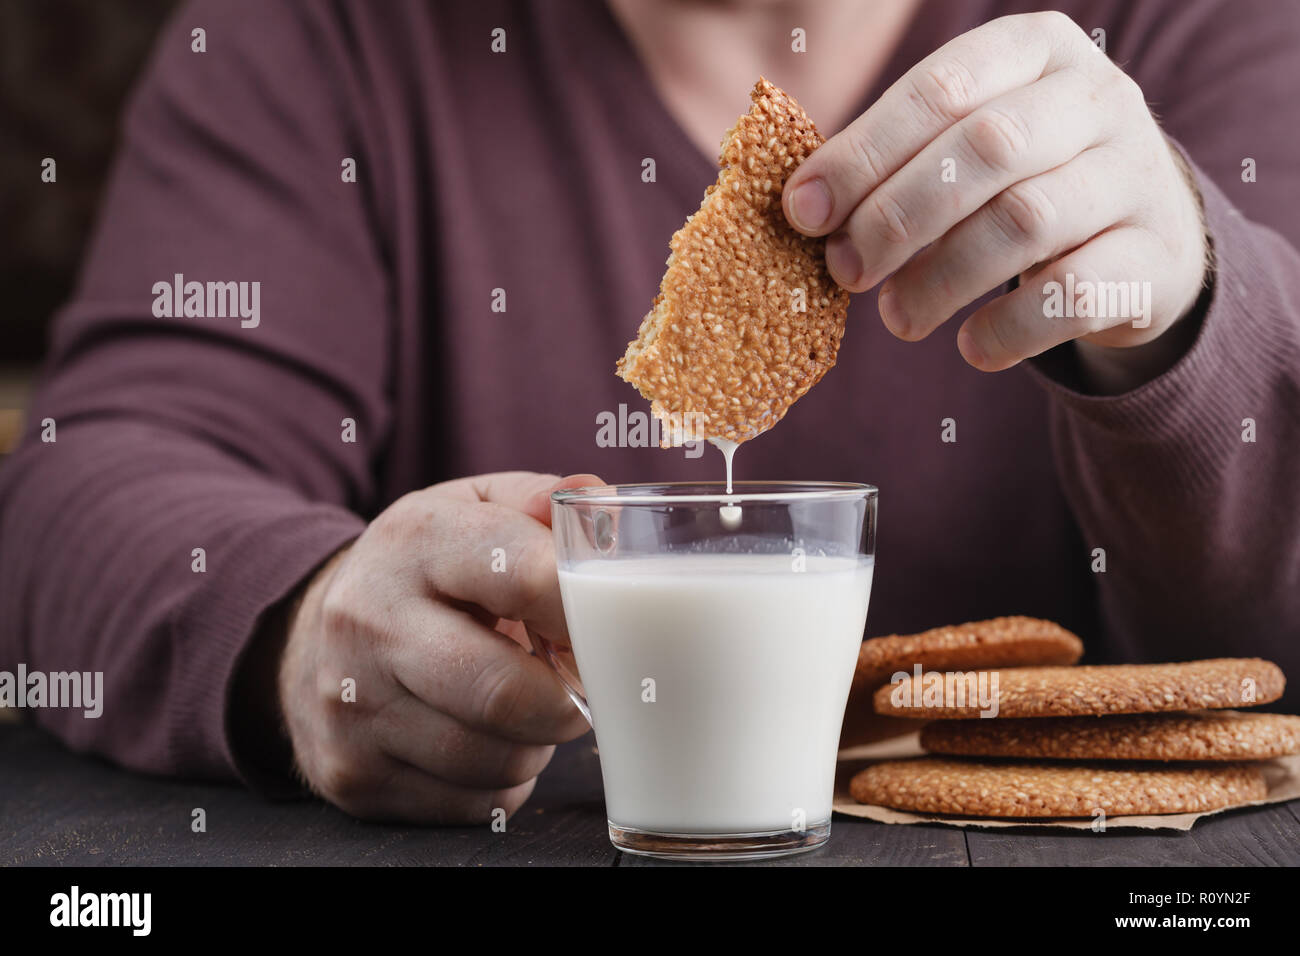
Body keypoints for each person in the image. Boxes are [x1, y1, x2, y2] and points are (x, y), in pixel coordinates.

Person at [1, 0, 1297, 824]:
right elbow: (90, 483)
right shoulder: (319, 38)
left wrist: (1188, 318)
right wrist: (297, 621)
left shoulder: (1202, 28)